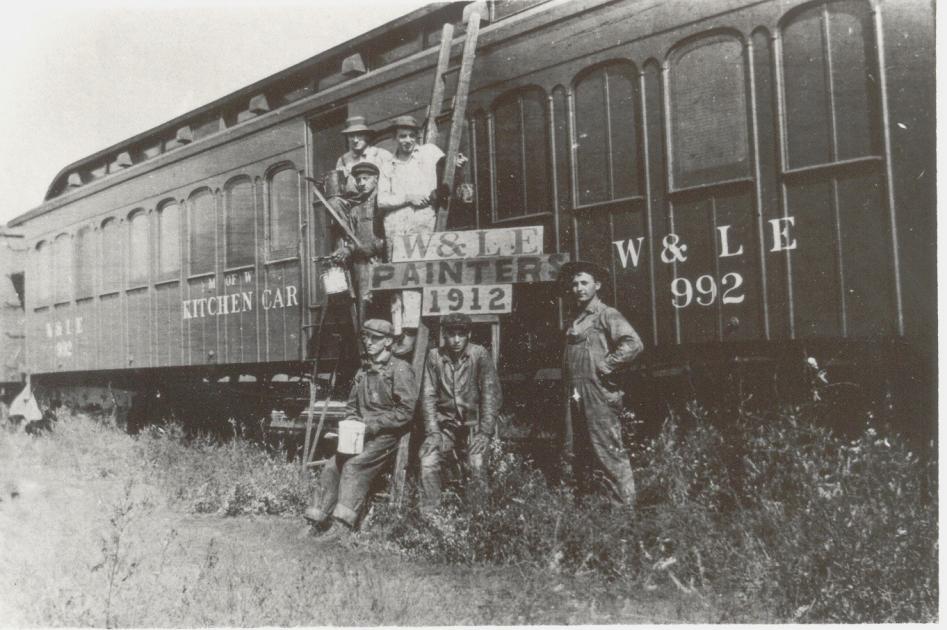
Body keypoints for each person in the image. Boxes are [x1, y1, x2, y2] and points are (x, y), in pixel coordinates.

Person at [304, 318, 417, 537]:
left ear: (388, 342)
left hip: (387, 437)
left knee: (354, 466)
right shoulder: (363, 371)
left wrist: (373, 426)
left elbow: (406, 411)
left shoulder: (400, 369)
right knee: (332, 466)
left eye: (375, 338)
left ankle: (342, 526)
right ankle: (315, 521)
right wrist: (353, 423)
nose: (369, 342)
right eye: (367, 337)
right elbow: (351, 406)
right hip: (361, 435)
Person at [377, 114, 466, 357]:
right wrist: (408, 198)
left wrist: (456, 164)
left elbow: (447, 164)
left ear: (417, 136)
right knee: (399, 280)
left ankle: (416, 328)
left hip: (422, 225)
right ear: (396, 137)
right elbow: (382, 200)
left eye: (410, 135)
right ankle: (401, 331)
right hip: (396, 227)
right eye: (402, 136)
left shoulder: (428, 152)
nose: (406, 140)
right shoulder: (388, 165)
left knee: (419, 277)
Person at [560, 260, 643, 509]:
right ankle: (579, 507)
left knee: (608, 450)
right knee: (572, 448)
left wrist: (606, 366)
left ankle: (623, 512)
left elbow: (633, 343)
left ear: (597, 285)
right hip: (573, 393)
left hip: (598, 392)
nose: (578, 288)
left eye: (584, 283)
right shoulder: (574, 318)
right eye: (574, 284)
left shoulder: (607, 314)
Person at [419, 313, 502, 513]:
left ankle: (477, 516)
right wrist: (433, 432)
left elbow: (491, 394)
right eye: (451, 334)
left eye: (461, 334)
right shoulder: (434, 356)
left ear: (469, 334)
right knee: (428, 459)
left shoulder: (479, 354)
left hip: (473, 425)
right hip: (445, 426)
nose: (456, 340)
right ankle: (431, 516)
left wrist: (485, 432)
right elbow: (428, 396)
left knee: (476, 462)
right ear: (443, 335)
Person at [327, 161, 386, 315]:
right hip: (361, 265)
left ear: (376, 179)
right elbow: (351, 239)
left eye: (365, 179)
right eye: (358, 180)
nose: (361, 183)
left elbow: (391, 235)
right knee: (364, 306)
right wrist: (348, 249)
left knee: (384, 304)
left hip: (382, 259)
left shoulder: (383, 203)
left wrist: (373, 247)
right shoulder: (355, 209)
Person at [335, 115, 392, 195]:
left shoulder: (382, 155)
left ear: (367, 136)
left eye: (359, 135)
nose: (355, 140)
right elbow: (339, 189)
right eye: (351, 136)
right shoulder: (343, 160)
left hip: (380, 202)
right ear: (347, 138)